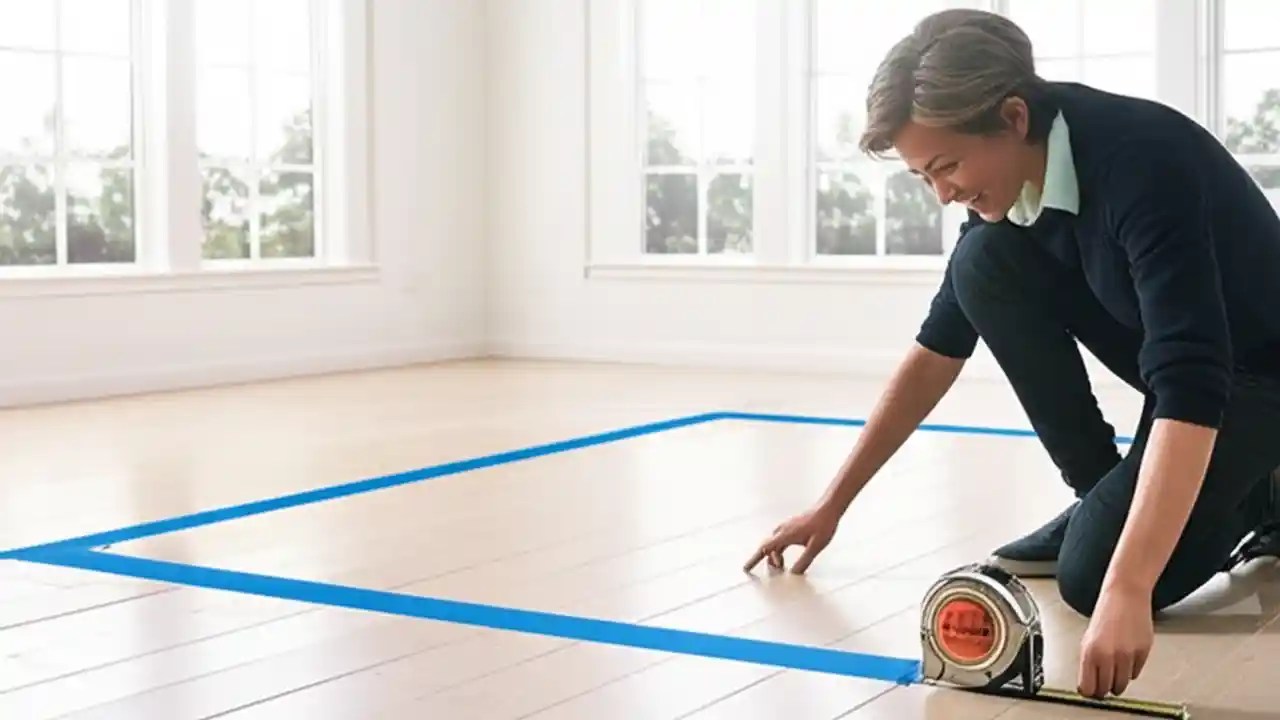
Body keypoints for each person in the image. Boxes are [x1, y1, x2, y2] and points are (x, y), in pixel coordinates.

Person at [743, 8, 1280, 701]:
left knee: (1091, 579)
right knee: (980, 265)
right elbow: (938, 348)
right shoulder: (1007, 187)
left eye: (948, 166)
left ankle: (1262, 488)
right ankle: (1101, 498)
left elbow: (1191, 378)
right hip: (1189, 380)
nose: (943, 194)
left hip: (1259, 373)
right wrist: (830, 506)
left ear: (1014, 117)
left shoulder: (1145, 162)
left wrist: (1127, 586)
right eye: (922, 177)